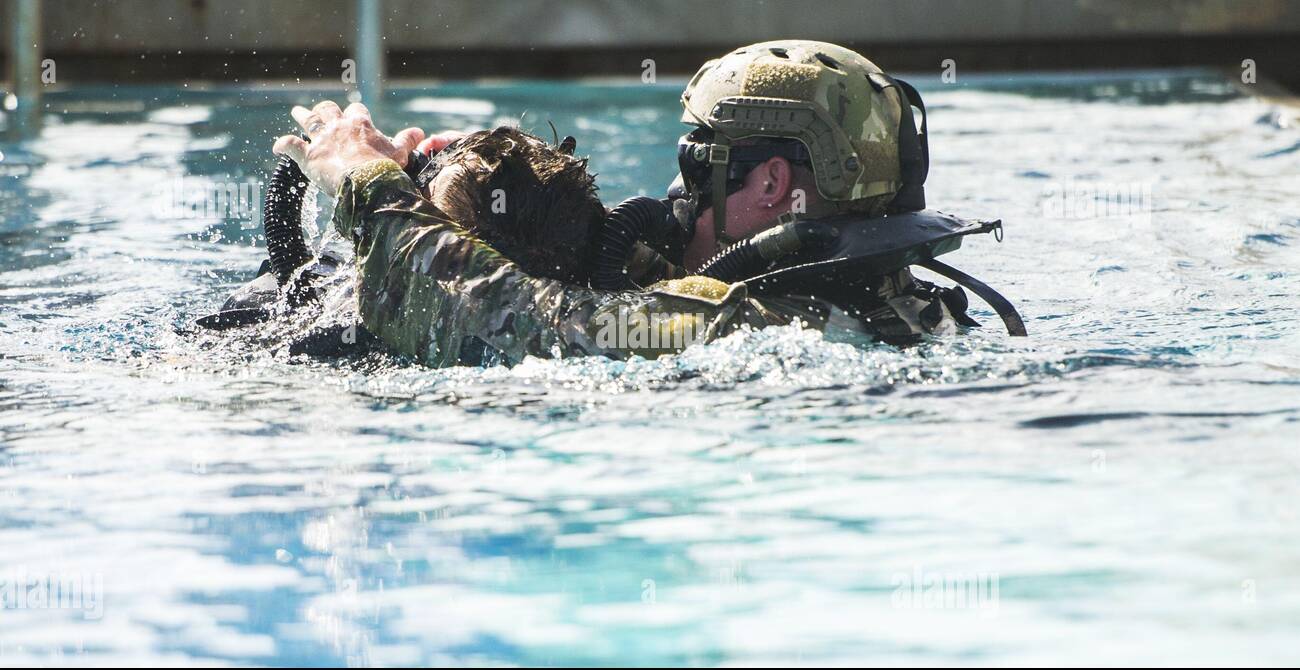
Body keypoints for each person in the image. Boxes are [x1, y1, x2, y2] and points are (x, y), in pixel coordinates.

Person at [270, 42, 992, 367]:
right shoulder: (887, 298)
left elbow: (516, 328)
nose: (675, 193)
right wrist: (460, 183)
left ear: (771, 185)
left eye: (695, 162)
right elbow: (621, 272)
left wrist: (367, 181)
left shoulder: (753, 323)